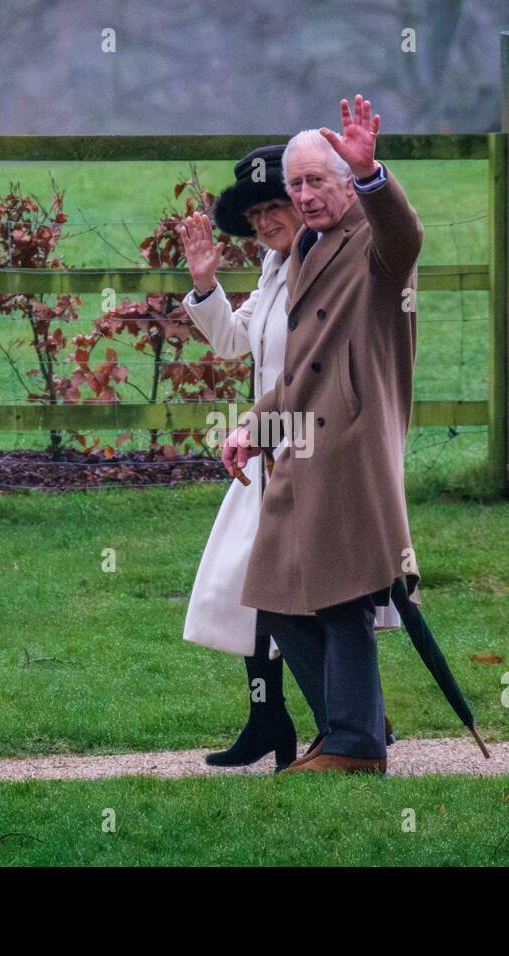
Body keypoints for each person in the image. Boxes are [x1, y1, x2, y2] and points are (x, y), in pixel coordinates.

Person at [178, 145, 400, 773]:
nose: (268, 220)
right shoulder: (278, 269)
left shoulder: (332, 263)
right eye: (256, 214)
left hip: (322, 449)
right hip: (268, 452)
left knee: (312, 591)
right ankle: (299, 719)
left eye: (277, 204)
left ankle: (347, 726)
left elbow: (323, 362)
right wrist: (204, 282)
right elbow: (233, 340)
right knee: (261, 591)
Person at [221, 95, 423, 774]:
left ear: (345, 183)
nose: (304, 196)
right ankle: (354, 720)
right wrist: (254, 426)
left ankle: (356, 746)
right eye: (297, 183)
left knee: (341, 596)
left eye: (318, 182)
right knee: (276, 593)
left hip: (353, 445)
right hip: (300, 439)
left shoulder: (374, 239)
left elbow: (406, 235)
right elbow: (309, 364)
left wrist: (373, 177)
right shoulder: (307, 248)